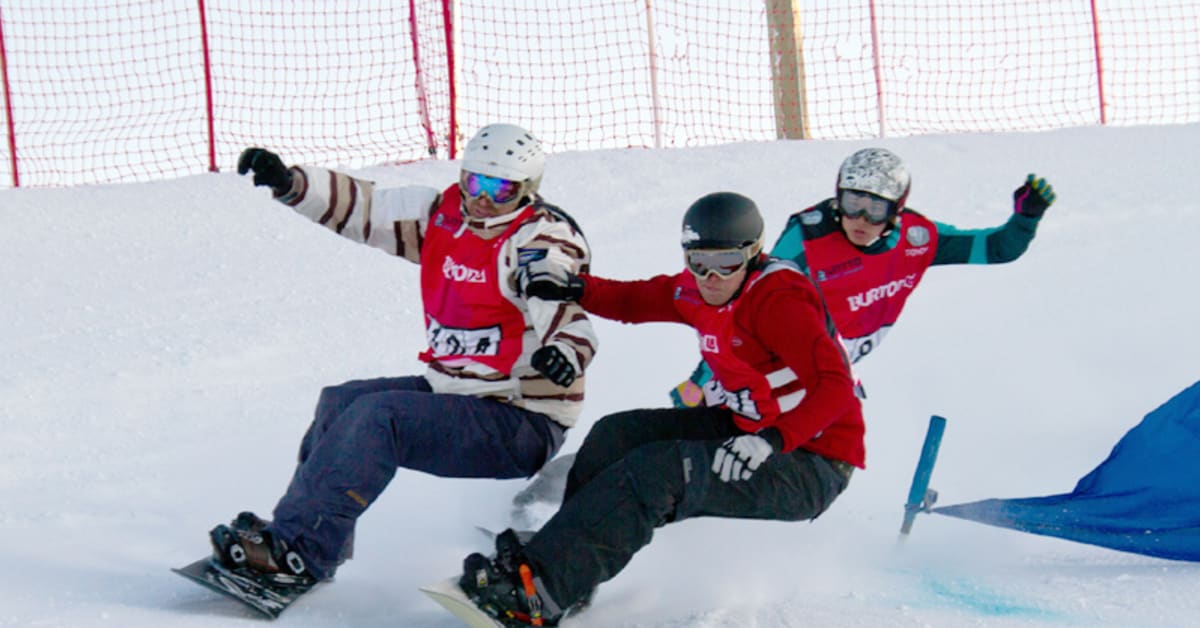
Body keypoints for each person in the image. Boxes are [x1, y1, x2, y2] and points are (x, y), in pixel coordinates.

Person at [207, 123, 598, 587]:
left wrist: (565, 351)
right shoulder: (442, 217)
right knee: (340, 402)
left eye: (500, 189)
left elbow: (560, 299)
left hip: (521, 419)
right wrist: (292, 183)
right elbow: (366, 209)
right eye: (476, 182)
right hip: (460, 392)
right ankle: (304, 541)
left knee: (381, 416)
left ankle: (301, 551)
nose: (484, 199)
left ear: (527, 190)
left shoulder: (541, 238)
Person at [455, 192, 864, 625]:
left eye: (726, 261)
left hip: (809, 461)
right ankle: (560, 570)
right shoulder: (698, 290)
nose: (710, 275)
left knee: (660, 471)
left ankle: (540, 597)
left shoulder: (778, 301)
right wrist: (576, 288)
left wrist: (772, 441)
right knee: (615, 436)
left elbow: (836, 387)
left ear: (752, 254)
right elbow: (641, 299)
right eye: (698, 261)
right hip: (746, 428)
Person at [671, 147, 1056, 406]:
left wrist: (1026, 218)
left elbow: (997, 249)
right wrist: (698, 380)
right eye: (853, 203)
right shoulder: (809, 239)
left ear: (897, 208)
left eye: (876, 208)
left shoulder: (916, 238)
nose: (861, 220)